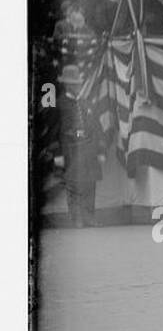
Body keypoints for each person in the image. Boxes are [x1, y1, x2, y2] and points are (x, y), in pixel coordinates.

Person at [56, 64, 101, 228]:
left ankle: (89, 216)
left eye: (78, 83)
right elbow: (54, 130)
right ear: (67, 84)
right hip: (70, 149)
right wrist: (57, 154)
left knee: (90, 184)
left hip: (88, 149)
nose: (77, 86)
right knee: (73, 184)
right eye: (74, 83)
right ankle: (77, 218)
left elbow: (96, 127)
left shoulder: (85, 103)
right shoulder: (59, 104)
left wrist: (100, 150)